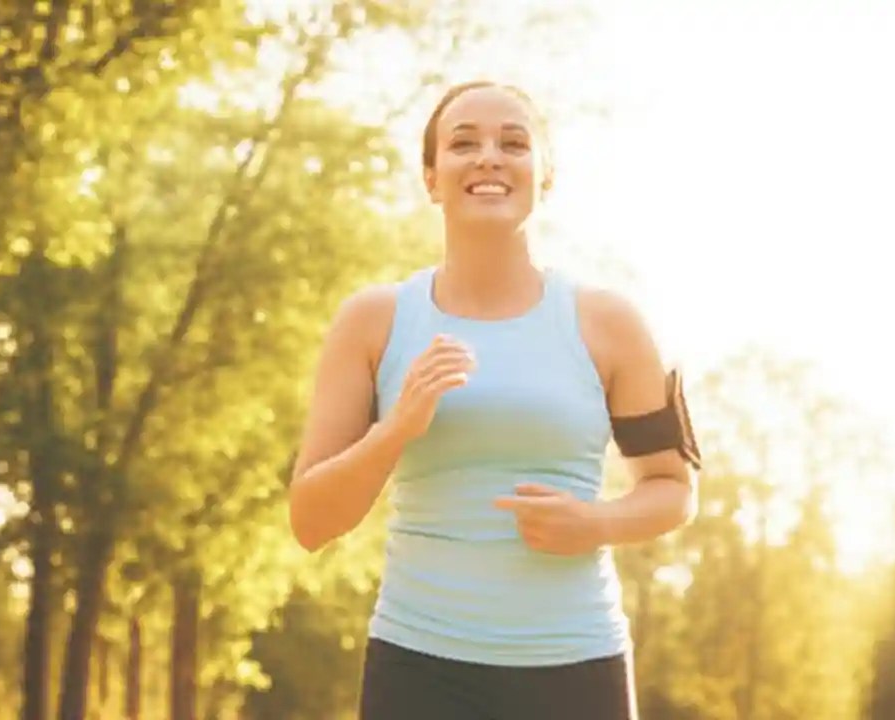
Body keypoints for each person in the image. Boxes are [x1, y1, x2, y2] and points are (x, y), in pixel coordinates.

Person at [287, 80, 701, 720]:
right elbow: (311, 522)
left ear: (545, 176)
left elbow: (673, 488)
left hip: (573, 663)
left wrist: (594, 523)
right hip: (418, 666)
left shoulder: (609, 322)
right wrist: (395, 429)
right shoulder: (373, 322)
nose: (488, 157)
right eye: (462, 144)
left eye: (513, 143)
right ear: (431, 177)